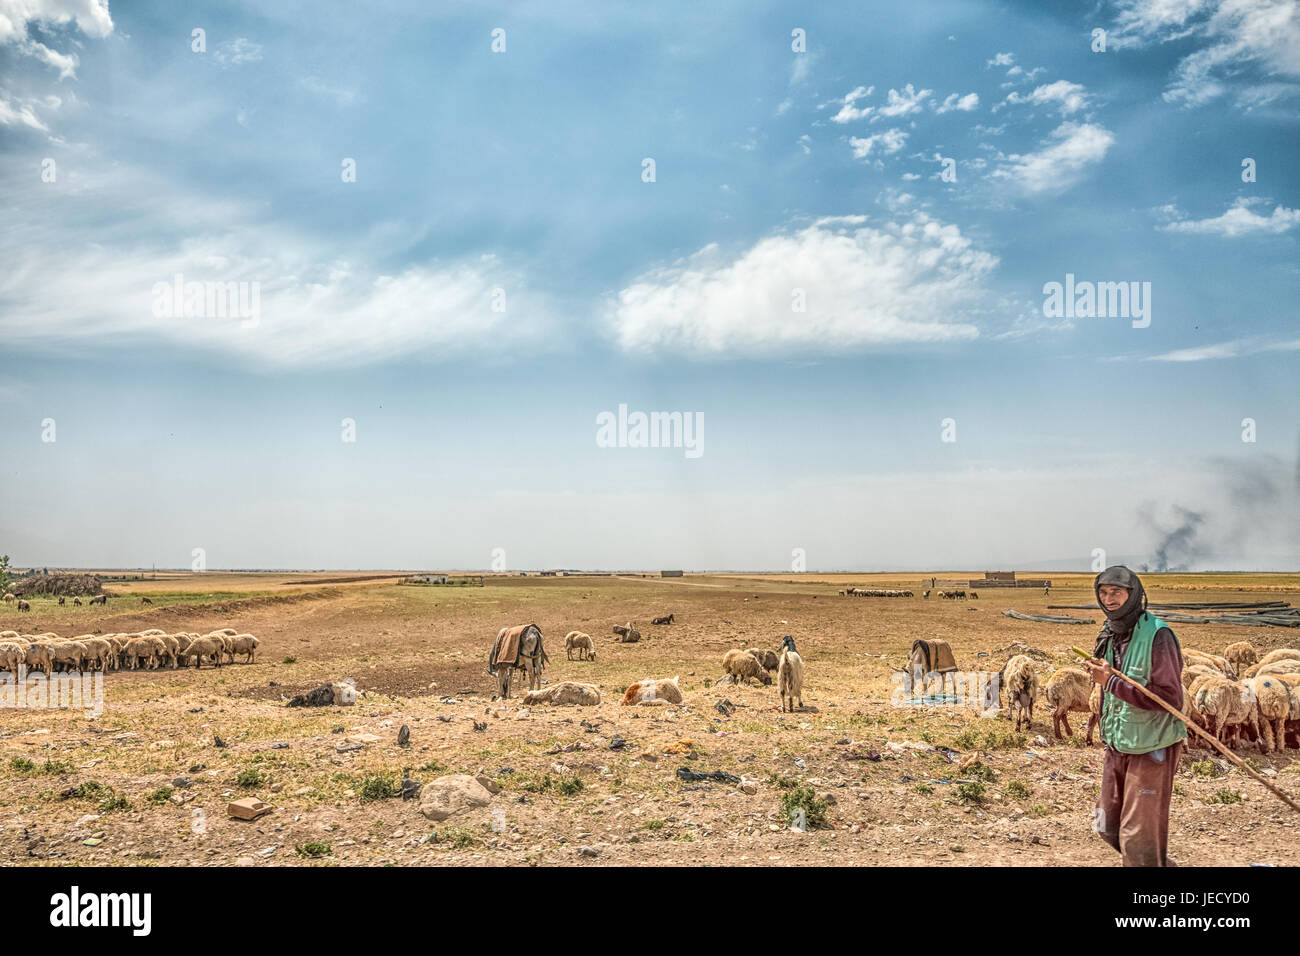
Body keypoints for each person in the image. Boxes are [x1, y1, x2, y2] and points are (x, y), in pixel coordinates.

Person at [1082, 565, 1185, 867]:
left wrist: (1111, 683)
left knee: (1137, 837)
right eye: (1103, 592)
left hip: (1151, 747)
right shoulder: (1109, 633)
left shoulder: (1159, 635)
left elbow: (1169, 698)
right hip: (1117, 743)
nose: (1109, 598)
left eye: (1117, 592)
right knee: (1105, 825)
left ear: (1133, 594)